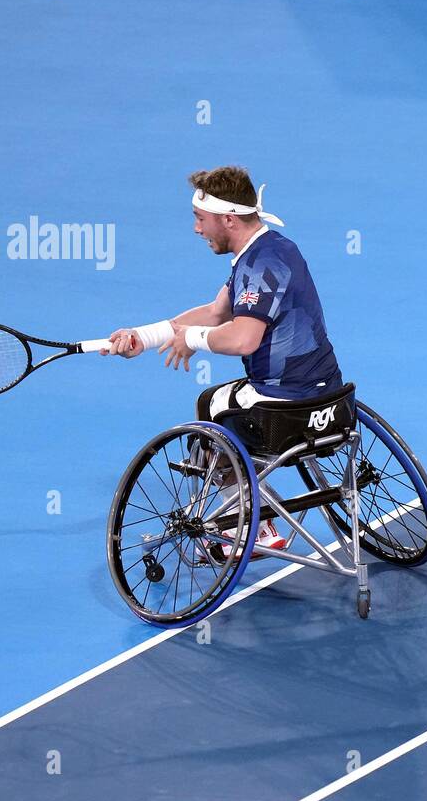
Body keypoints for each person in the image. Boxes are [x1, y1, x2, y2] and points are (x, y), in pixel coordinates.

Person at [103, 165, 344, 550]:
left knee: (212, 405)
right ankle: (259, 506)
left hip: (285, 406)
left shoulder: (257, 266)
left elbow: (244, 339)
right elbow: (217, 313)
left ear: (228, 219)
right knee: (223, 397)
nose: (197, 229)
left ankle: (256, 521)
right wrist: (143, 337)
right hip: (333, 398)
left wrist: (193, 340)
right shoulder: (277, 247)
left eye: (201, 219)